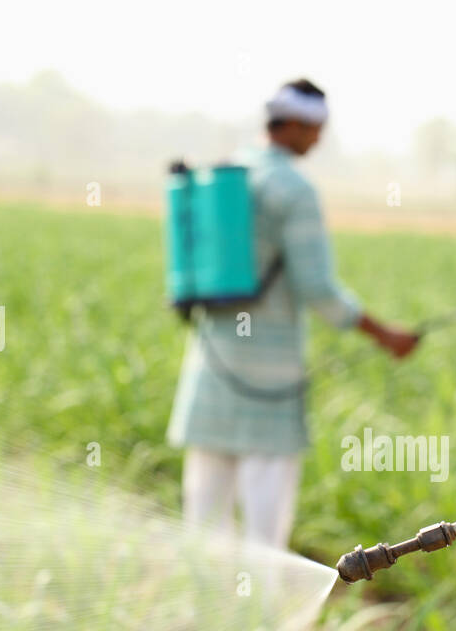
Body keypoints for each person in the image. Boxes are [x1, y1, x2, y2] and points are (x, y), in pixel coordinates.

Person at [167, 78, 419, 547]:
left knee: (202, 531)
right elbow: (318, 288)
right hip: (268, 385)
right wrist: (385, 335)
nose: (318, 139)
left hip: (210, 374)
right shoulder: (294, 189)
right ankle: (260, 619)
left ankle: (203, 615)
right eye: (315, 129)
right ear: (297, 125)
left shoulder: (224, 176)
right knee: (264, 538)